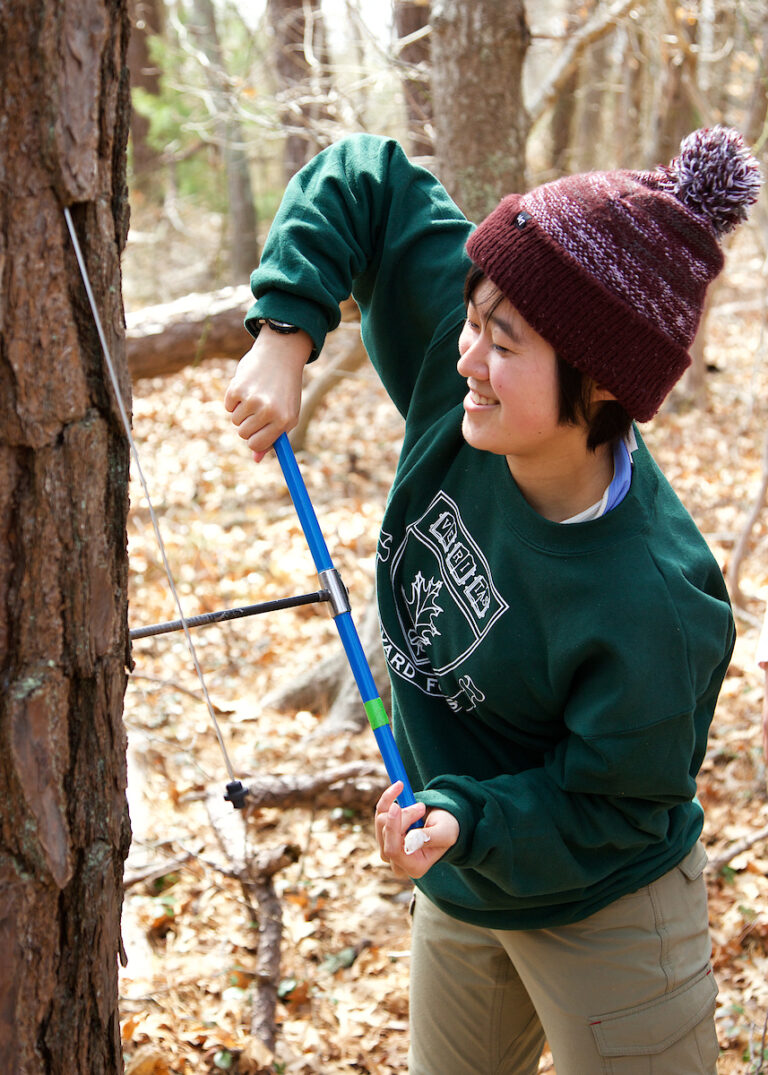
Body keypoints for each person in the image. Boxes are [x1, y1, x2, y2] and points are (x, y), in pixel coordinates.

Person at [224, 127, 761, 1074]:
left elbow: (614, 810)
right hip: (464, 883)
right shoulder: (465, 360)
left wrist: (468, 816)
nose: (466, 355)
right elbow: (368, 180)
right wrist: (285, 329)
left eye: (502, 343)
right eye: (472, 320)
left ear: (599, 387)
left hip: (606, 906)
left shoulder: (659, 604)